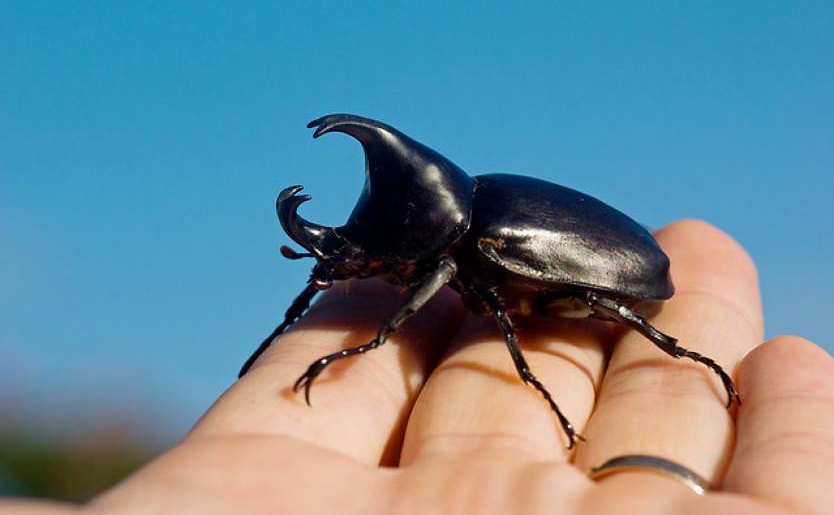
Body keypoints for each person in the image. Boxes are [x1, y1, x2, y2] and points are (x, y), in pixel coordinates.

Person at [3, 220, 832, 514]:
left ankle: (679, 354)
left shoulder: (476, 244)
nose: (343, 264)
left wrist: (369, 340)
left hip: (619, 281)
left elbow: (498, 303)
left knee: (575, 309)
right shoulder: (448, 239)